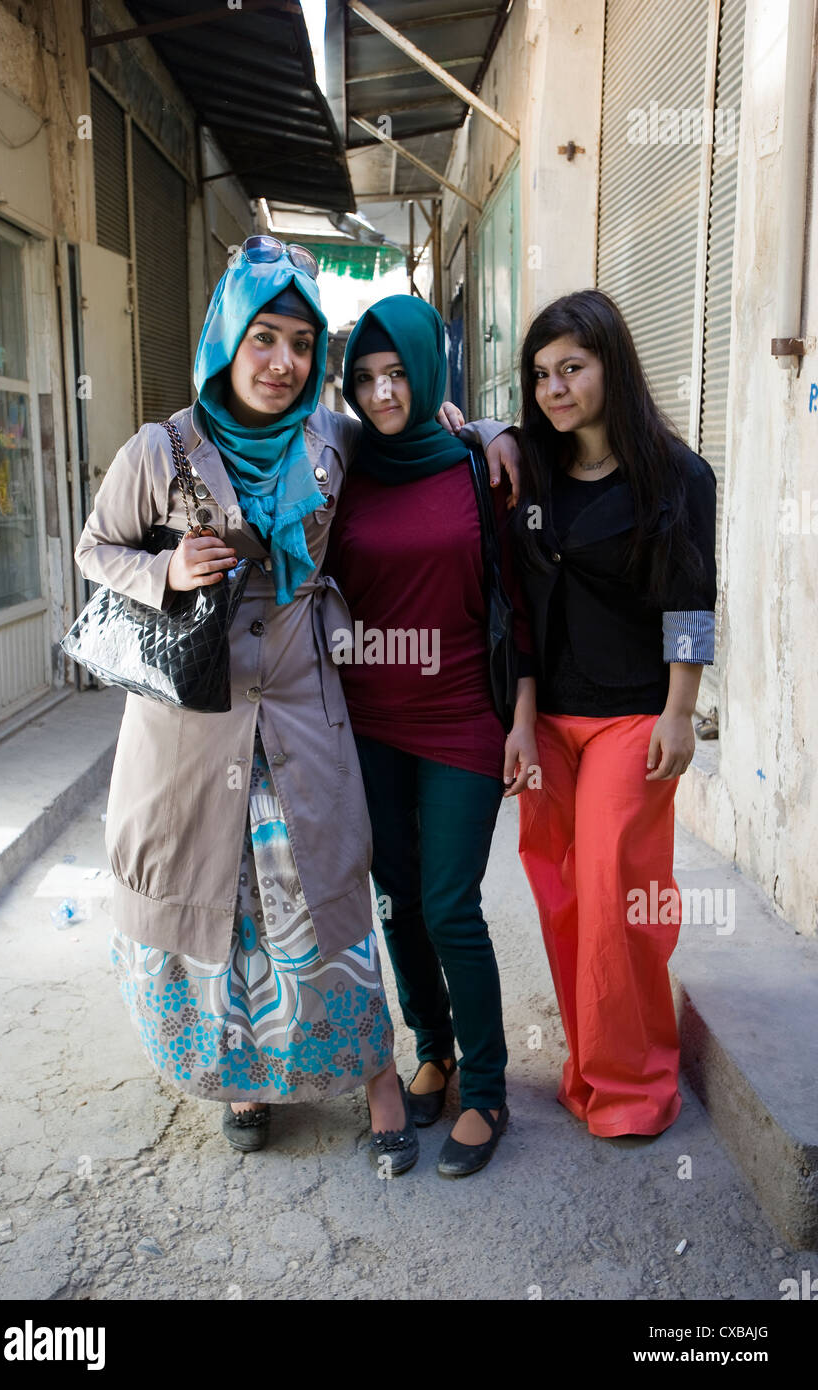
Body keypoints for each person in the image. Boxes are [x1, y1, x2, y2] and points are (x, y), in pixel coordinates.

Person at [73, 238, 515, 1174]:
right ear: (228, 338)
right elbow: (93, 550)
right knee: (227, 902)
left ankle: (378, 1077)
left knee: (328, 889)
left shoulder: (331, 439)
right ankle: (244, 1080)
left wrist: (485, 429)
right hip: (197, 720)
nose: (284, 364)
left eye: (303, 345)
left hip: (306, 707)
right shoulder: (162, 449)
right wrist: (164, 568)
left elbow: (411, 432)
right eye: (264, 338)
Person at [325, 295, 538, 1177]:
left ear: (428, 371)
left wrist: (521, 720)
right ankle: (434, 1051)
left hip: (461, 718)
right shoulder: (340, 465)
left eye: (398, 373)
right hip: (368, 721)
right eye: (366, 378)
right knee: (396, 902)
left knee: (452, 904)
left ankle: (487, 1090)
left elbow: (516, 606)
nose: (382, 393)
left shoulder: (474, 465)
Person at [511, 288, 717, 1138]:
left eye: (573, 368)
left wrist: (681, 712)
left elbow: (691, 604)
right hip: (547, 720)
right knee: (561, 897)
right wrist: (520, 722)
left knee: (616, 896)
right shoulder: (533, 470)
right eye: (542, 373)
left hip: (633, 717)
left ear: (611, 366)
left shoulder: (677, 475)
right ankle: (589, 1067)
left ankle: (635, 1090)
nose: (555, 387)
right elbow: (518, 604)